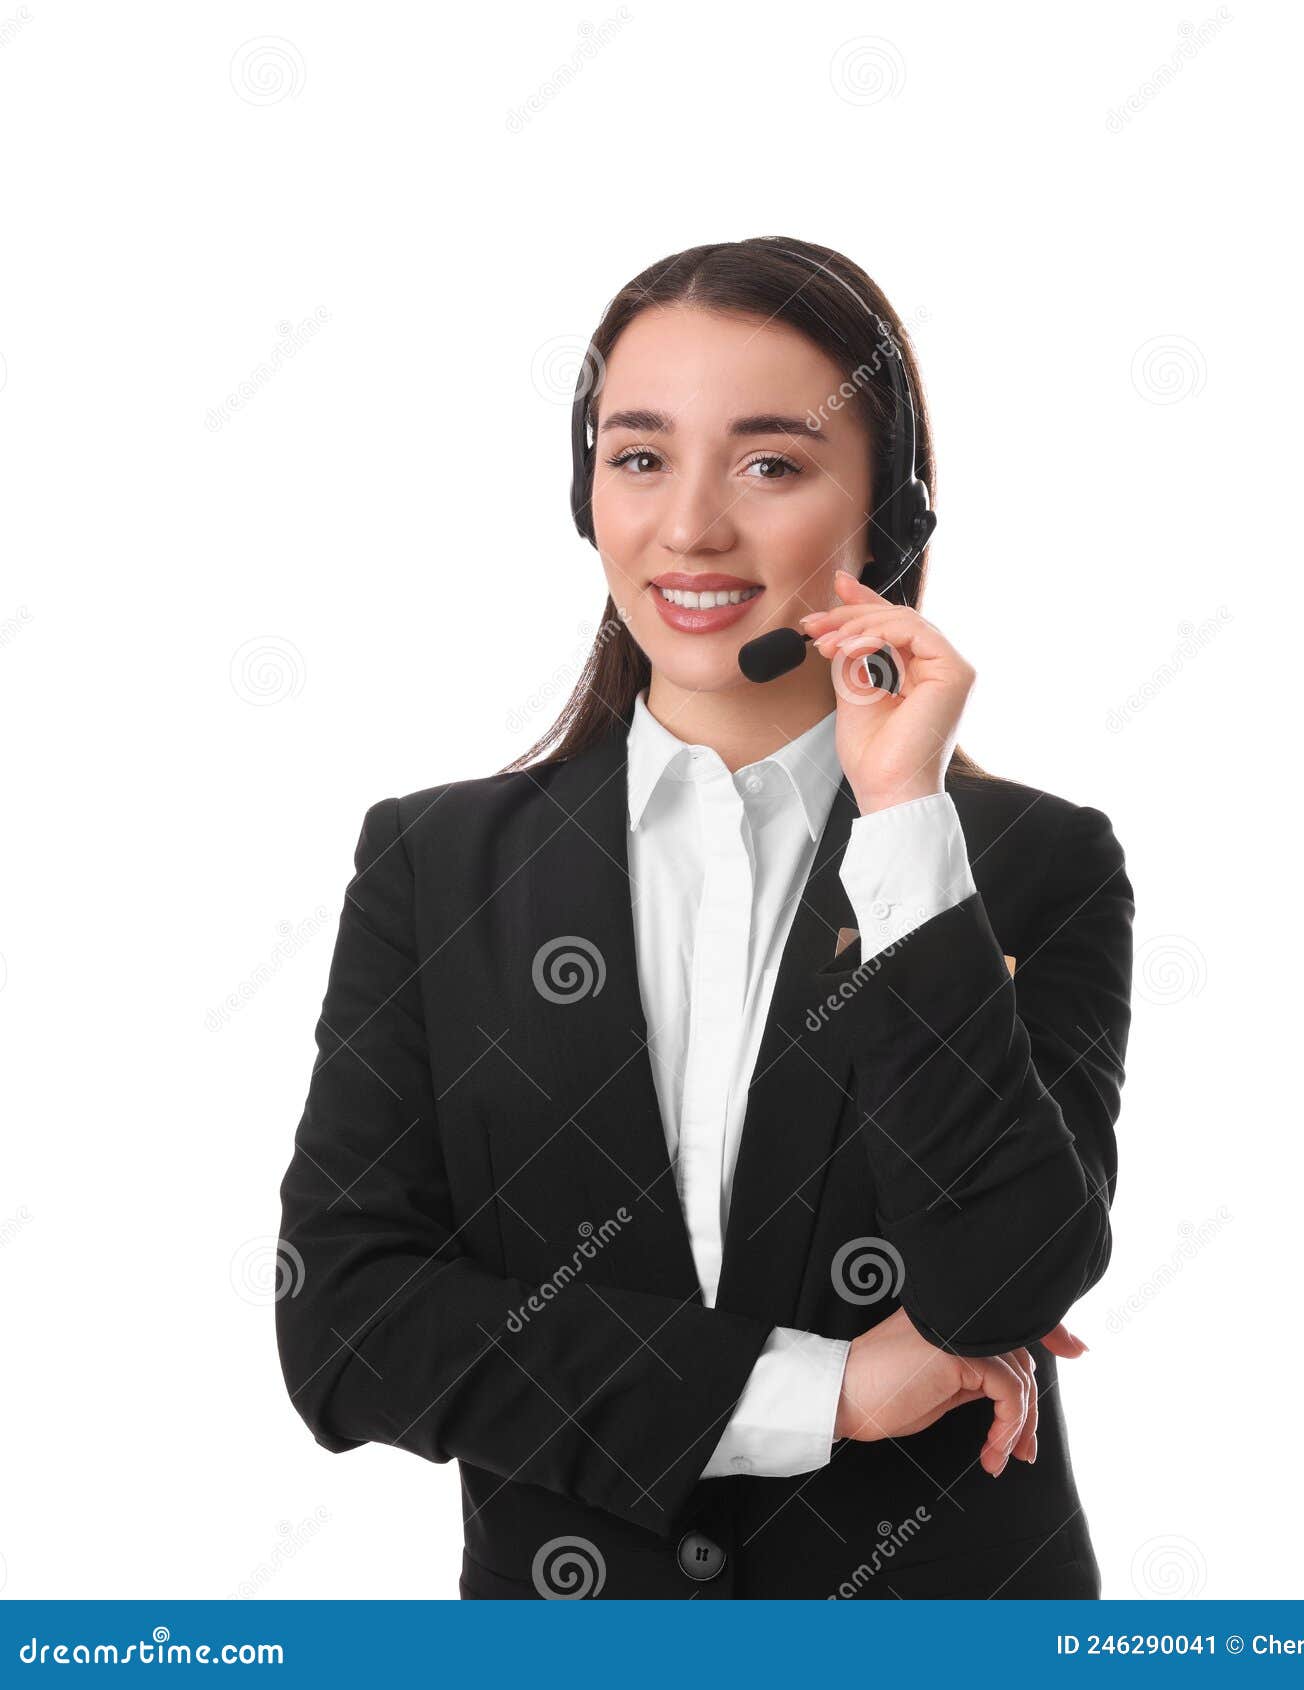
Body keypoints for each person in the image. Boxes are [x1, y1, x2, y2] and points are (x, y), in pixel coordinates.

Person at [275, 236, 1134, 1599]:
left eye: (770, 463)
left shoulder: (1028, 863)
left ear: (888, 518)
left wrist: (903, 816)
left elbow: (1000, 1280)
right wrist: (825, 1391)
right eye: (637, 456)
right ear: (586, 491)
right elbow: (345, 1325)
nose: (687, 528)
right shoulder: (434, 867)